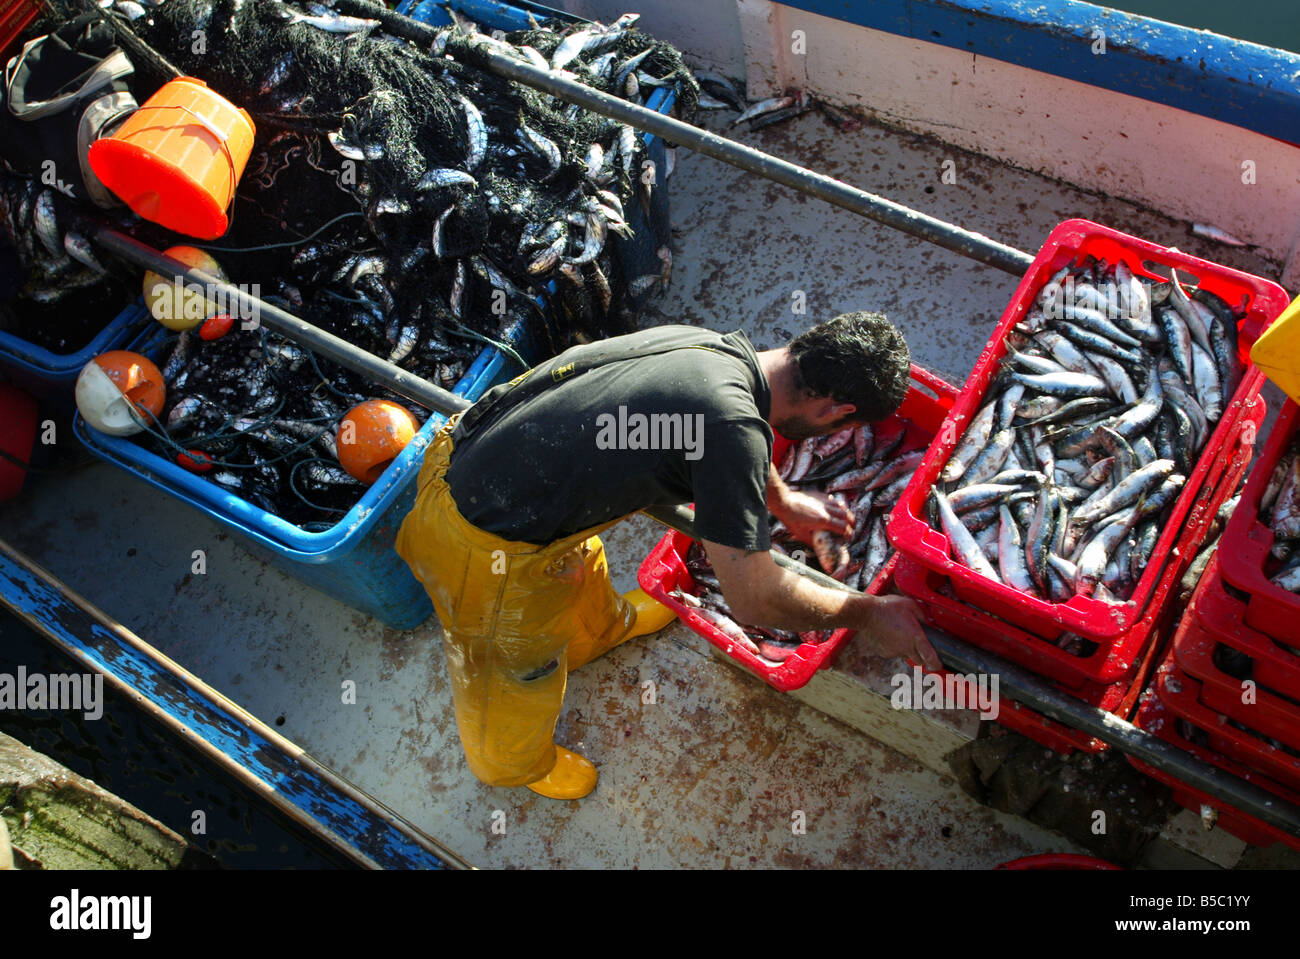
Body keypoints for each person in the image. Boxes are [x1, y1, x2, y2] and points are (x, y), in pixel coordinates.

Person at [395, 311, 938, 800]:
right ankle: (511, 765)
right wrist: (867, 614)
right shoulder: (731, 425)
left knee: (575, 572)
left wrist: (785, 501)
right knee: (510, 669)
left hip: (494, 471)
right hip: (480, 546)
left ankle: (598, 634)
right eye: (845, 425)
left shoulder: (714, 348)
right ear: (837, 410)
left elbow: (724, 428)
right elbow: (753, 598)